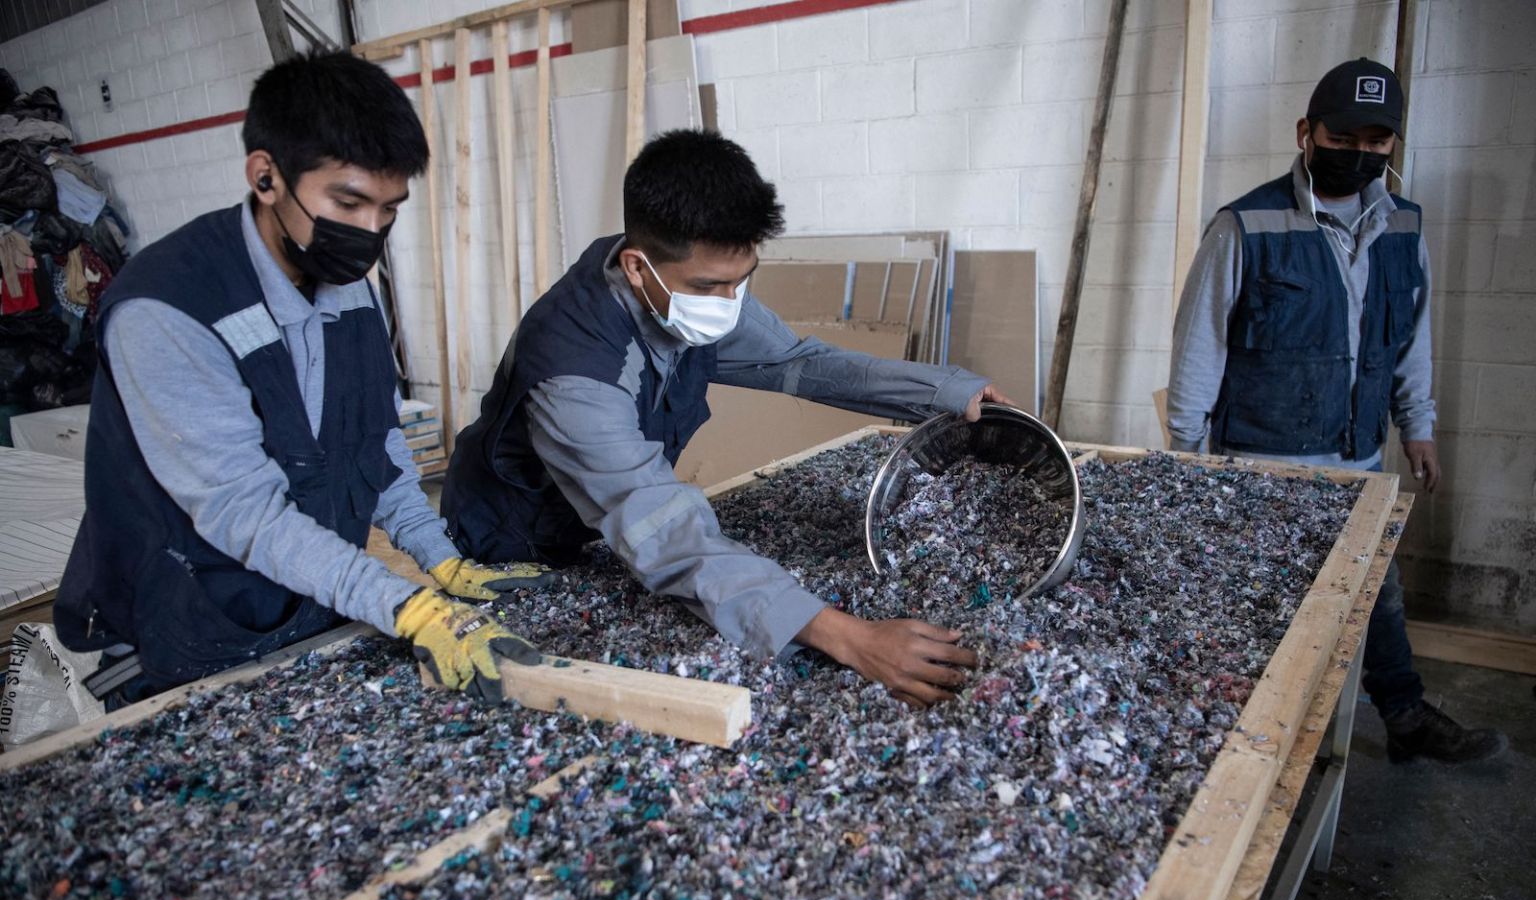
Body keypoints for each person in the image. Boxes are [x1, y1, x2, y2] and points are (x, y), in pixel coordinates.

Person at [442, 129, 1010, 707]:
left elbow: (800, 364)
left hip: (604, 529)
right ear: (637, 268)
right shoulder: (573, 371)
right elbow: (655, 525)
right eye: (710, 286)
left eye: (742, 280)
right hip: (513, 542)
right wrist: (848, 636)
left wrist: (947, 391)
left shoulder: (682, 285)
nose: (728, 302)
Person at [55, 51, 551, 708]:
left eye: (389, 209)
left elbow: (377, 445)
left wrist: (440, 558)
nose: (370, 232)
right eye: (349, 201)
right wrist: (409, 609)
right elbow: (243, 511)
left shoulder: (349, 287)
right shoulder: (167, 308)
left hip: (308, 599)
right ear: (266, 176)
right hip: (191, 626)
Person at [1167, 57, 1505, 763]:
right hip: (1264, 462)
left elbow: (1412, 337)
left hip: (1357, 453)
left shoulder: (1405, 228)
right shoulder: (1246, 225)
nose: (1359, 155)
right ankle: (1239, 734)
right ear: (1307, 132)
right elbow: (1199, 345)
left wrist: (1419, 428)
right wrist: (1186, 459)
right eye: (1344, 138)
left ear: (1393, 146)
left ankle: (1404, 718)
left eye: (1376, 143)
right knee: (1259, 606)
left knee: (1376, 590)